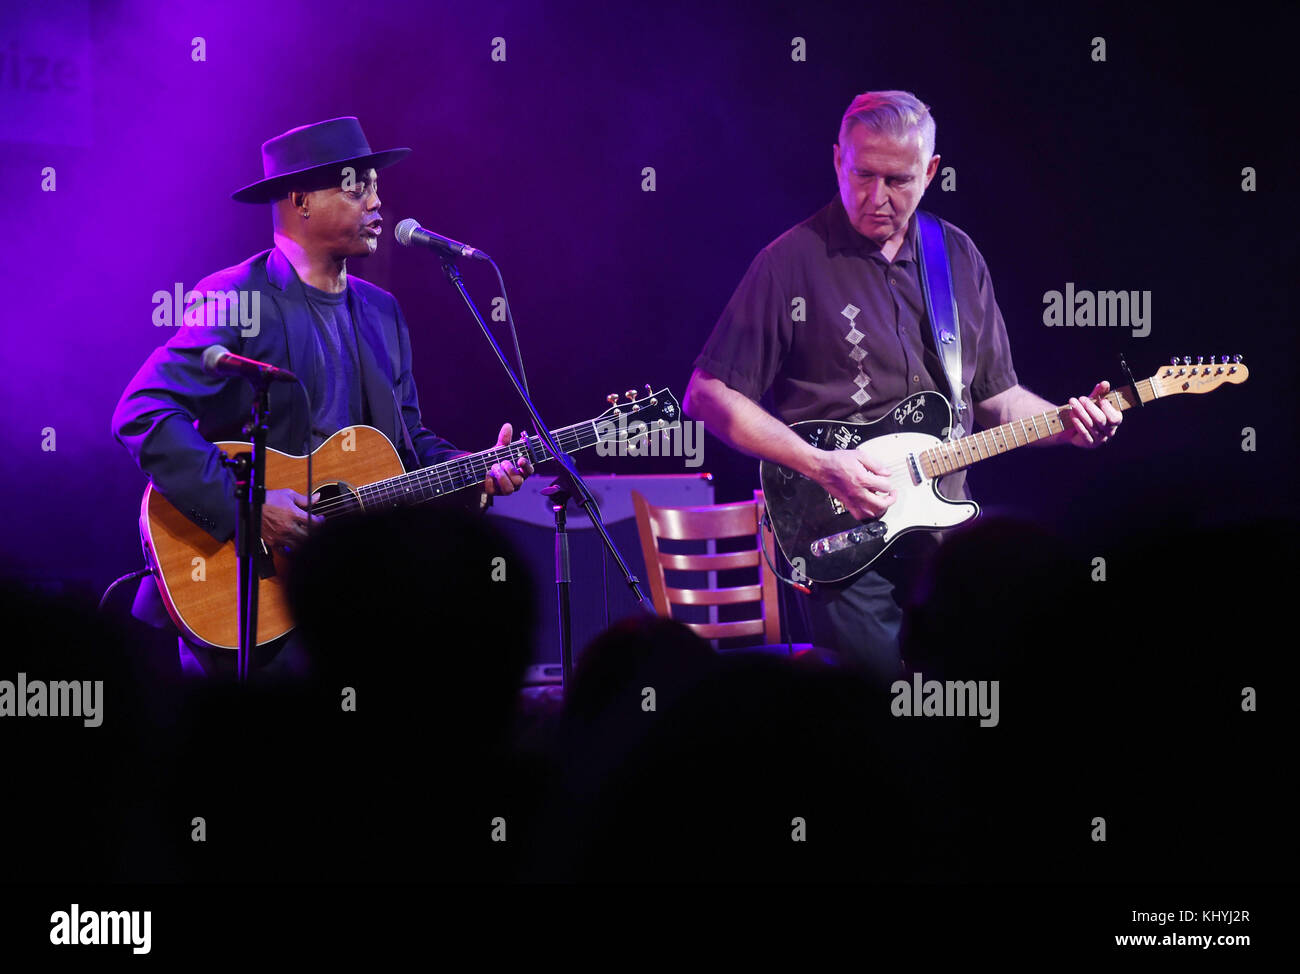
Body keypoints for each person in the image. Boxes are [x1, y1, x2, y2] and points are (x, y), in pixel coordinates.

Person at [684, 90, 1122, 683]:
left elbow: (996, 397)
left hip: (945, 540)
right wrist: (820, 464)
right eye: (863, 174)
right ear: (837, 159)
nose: (877, 198)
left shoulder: (958, 258)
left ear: (932, 172)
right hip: (840, 536)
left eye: (899, 180)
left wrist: (1067, 425)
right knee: (874, 714)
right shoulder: (789, 263)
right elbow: (708, 394)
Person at [112, 116, 533, 679]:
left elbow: (408, 446)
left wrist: (472, 471)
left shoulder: (381, 310)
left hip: (359, 595)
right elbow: (142, 412)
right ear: (302, 199)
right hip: (254, 596)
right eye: (358, 185)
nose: (378, 201)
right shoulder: (238, 297)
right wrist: (248, 509)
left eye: (377, 185)